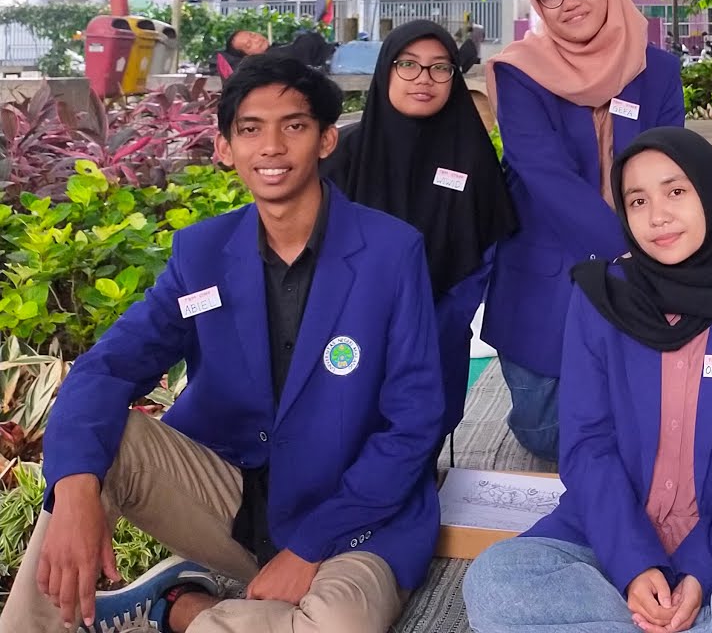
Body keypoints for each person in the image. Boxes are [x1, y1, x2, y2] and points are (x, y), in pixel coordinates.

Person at [0, 56, 446, 633]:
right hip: (234, 502)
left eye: (294, 125)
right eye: (251, 129)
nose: (272, 146)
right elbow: (106, 370)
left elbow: (414, 422)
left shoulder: (391, 251)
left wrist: (310, 545)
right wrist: (74, 489)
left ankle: (181, 609)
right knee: (105, 443)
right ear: (225, 147)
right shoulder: (202, 254)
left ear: (327, 140)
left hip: (355, 521)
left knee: (337, 626)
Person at [462, 127, 712, 633]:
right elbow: (587, 446)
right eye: (637, 200)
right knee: (496, 583)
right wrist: (634, 565)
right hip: (607, 536)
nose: (658, 217)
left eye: (676, 192)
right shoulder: (600, 298)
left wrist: (699, 569)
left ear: (711, 194)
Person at [481, 0, 685, 462]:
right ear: (537, 5)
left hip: (643, 270)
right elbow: (545, 175)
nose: (569, 1)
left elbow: (665, 164)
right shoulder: (519, 72)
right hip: (548, 281)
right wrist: (627, 250)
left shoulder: (655, 68)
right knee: (547, 434)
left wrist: (653, 261)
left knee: (642, 435)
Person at [322, 20, 517, 463]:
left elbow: (485, 248)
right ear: (386, 71)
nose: (424, 79)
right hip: (349, 336)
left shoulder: (471, 154)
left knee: (417, 451)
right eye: (408, 65)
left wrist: (431, 321)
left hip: (437, 330)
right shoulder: (345, 155)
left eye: (439, 68)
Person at [215, 30, 333, 81]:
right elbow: (304, 47)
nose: (256, 40)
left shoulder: (275, 50)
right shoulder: (271, 61)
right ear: (247, 56)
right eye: (249, 45)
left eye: (252, 35)